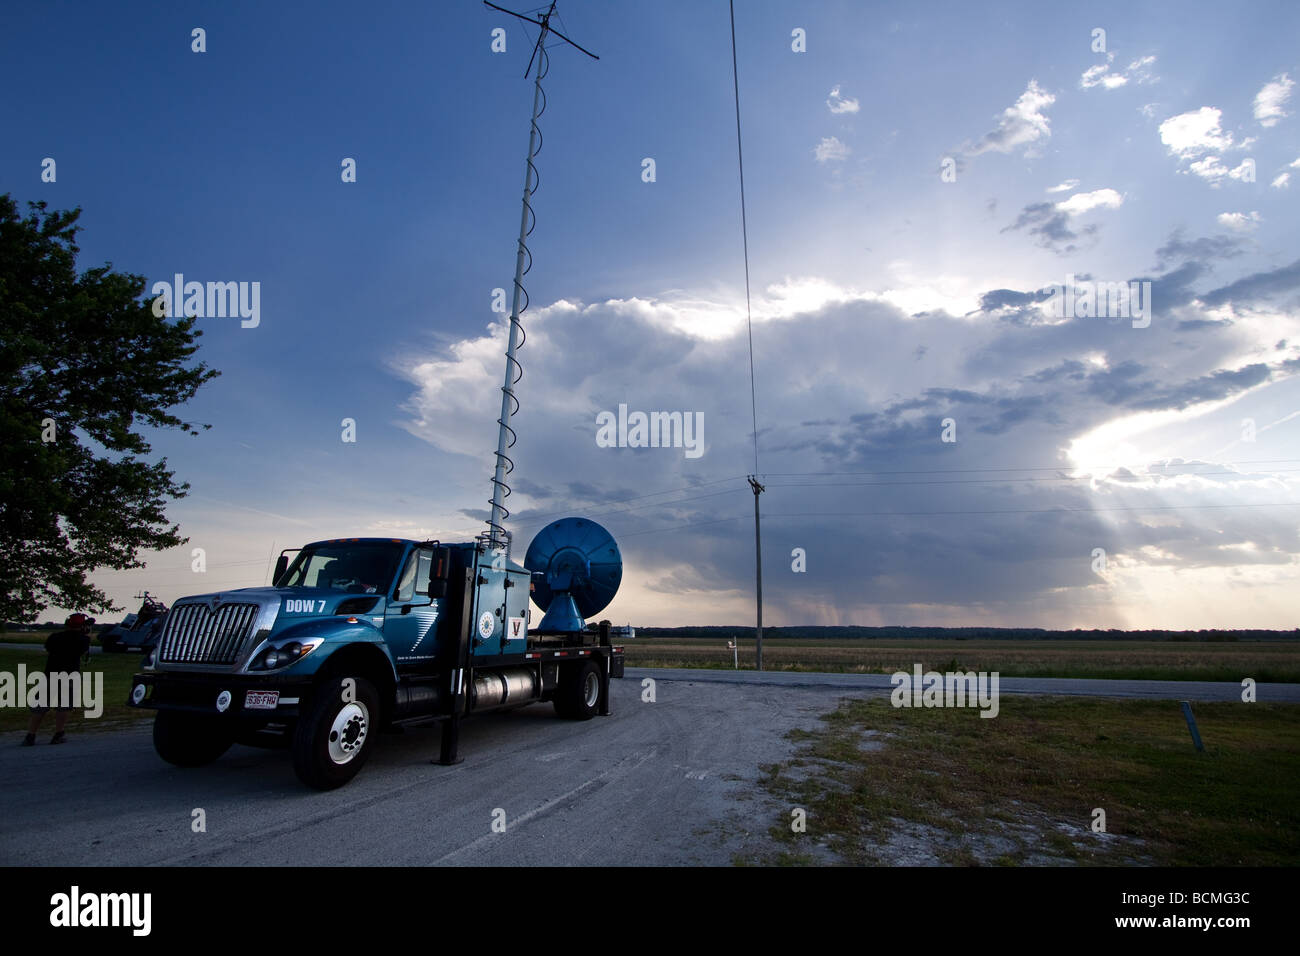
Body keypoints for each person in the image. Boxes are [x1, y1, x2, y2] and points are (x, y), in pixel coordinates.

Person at [21, 612, 92, 746]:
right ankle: (58, 733)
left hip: (50, 674)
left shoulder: (54, 637)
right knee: (63, 707)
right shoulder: (84, 640)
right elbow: (82, 652)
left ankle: (30, 735)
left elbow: (48, 648)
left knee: (40, 706)